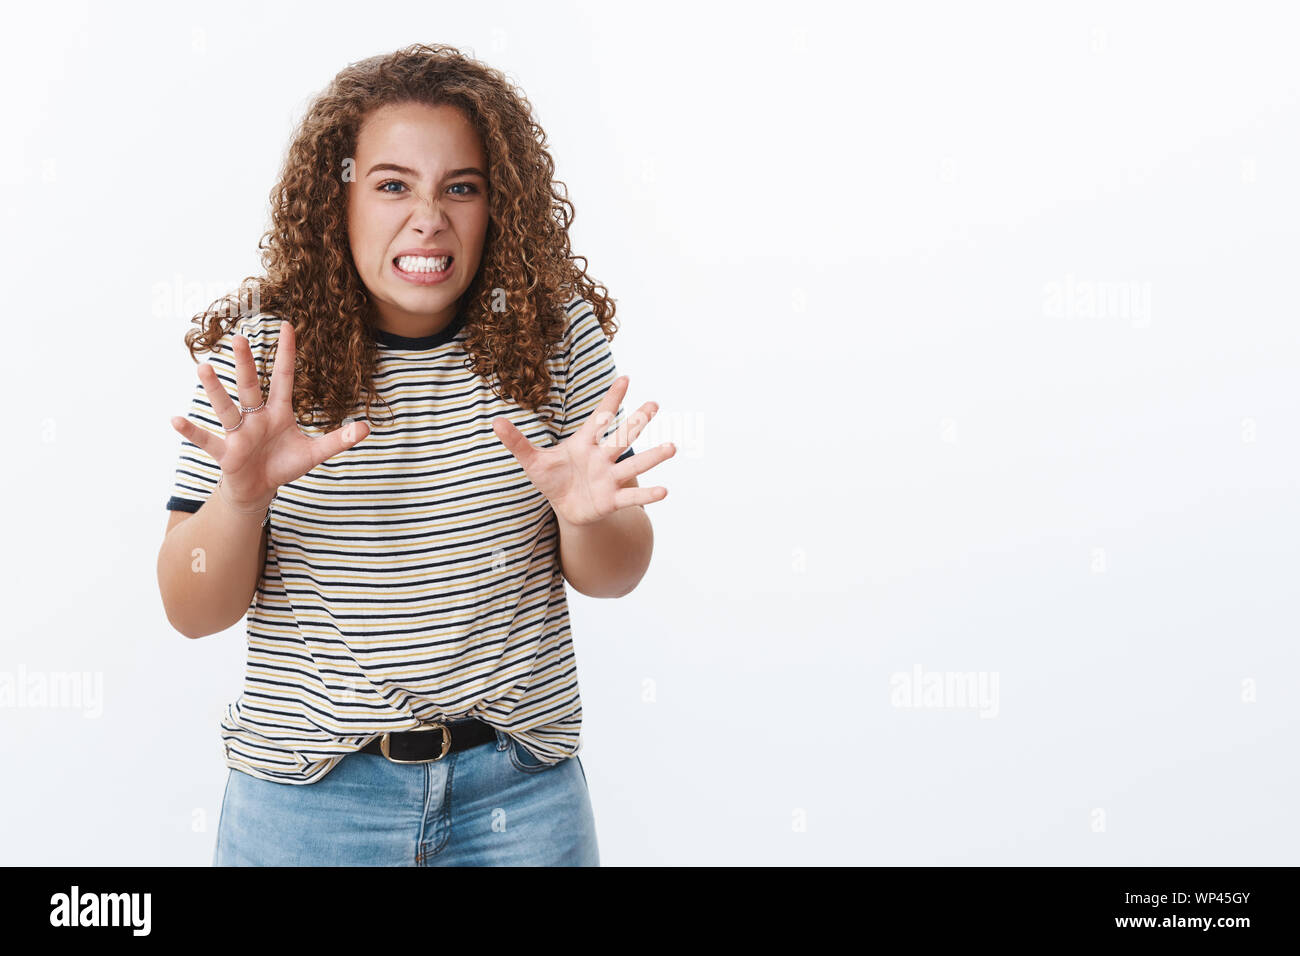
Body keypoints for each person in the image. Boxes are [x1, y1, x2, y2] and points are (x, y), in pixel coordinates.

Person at [155, 43, 674, 866]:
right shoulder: (260, 353)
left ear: (497, 204)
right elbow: (192, 611)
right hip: (308, 807)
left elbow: (617, 573)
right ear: (341, 200)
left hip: (518, 798)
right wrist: (241, 501)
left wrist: (584, 519)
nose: (428, 217)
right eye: (393, 184)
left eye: (459, 188)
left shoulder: (553, 337)